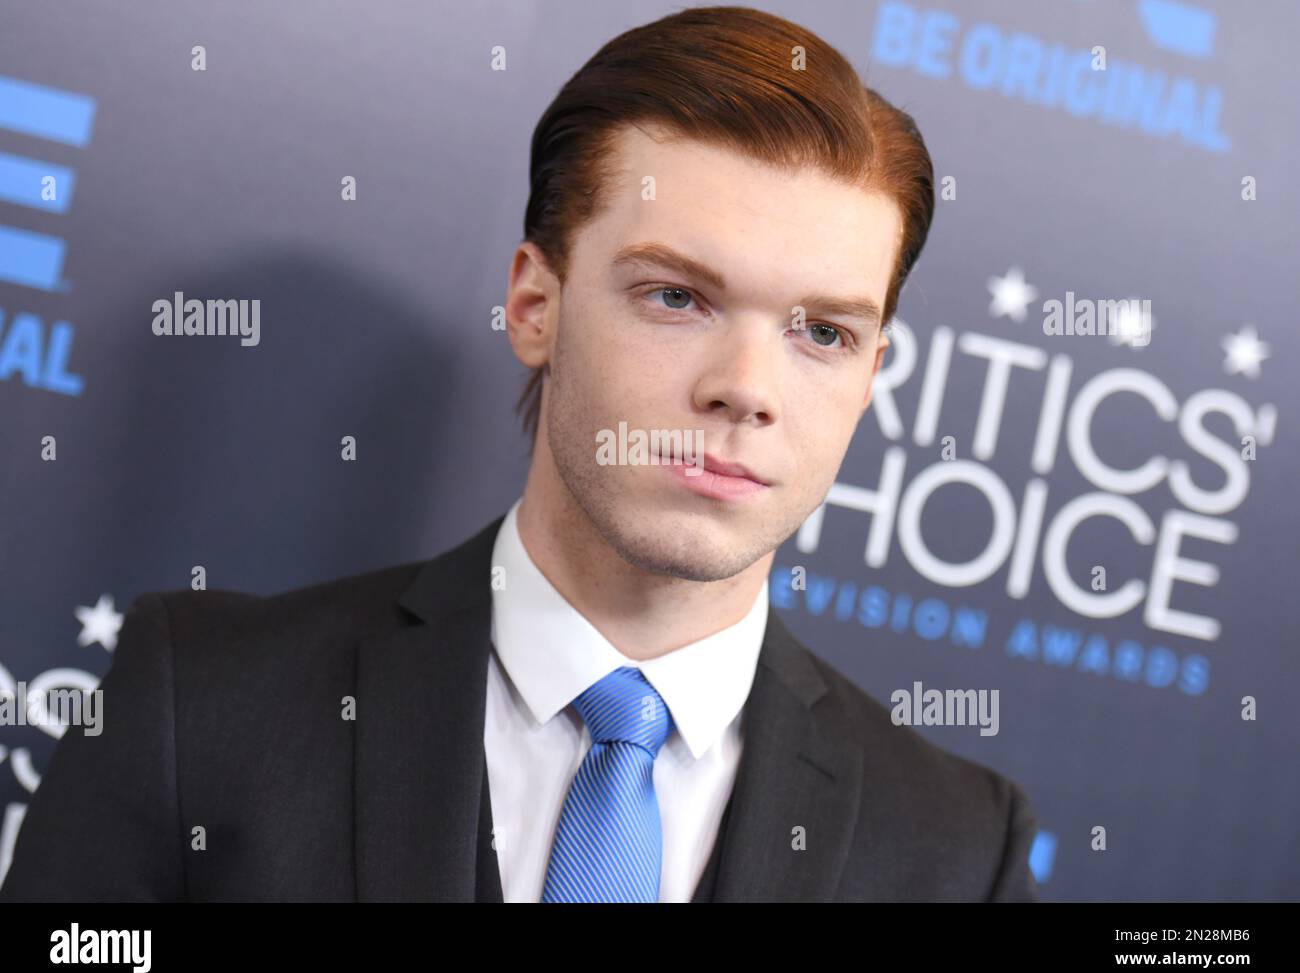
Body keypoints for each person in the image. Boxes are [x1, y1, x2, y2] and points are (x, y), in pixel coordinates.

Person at [1, 5, 1038, 902]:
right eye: (675, 296)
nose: (748, 388)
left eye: (823, 333)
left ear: (870, 373)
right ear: (534, 306)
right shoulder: (202, 705)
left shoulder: (955, 847)